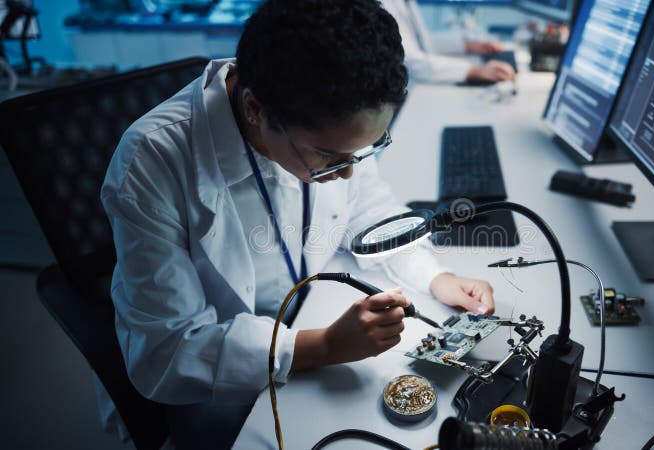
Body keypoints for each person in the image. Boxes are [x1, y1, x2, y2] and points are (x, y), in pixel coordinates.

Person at [100, 0, 496, 447]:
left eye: (362, 151)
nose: (347, 173)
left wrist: (435, 277)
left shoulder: (331, 110)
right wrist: (322, 346)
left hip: (315, 313)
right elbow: (168, 352)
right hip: (222, 379)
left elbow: (370, 209)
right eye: (329, 157)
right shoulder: (151, 161)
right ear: (254, 109)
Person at [381, 0, 516, 84]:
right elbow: (409, 62)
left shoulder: (404, 2)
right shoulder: (382, 4)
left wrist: (469, 46)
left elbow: (423, 42)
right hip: (400, 96)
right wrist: (472, 72)